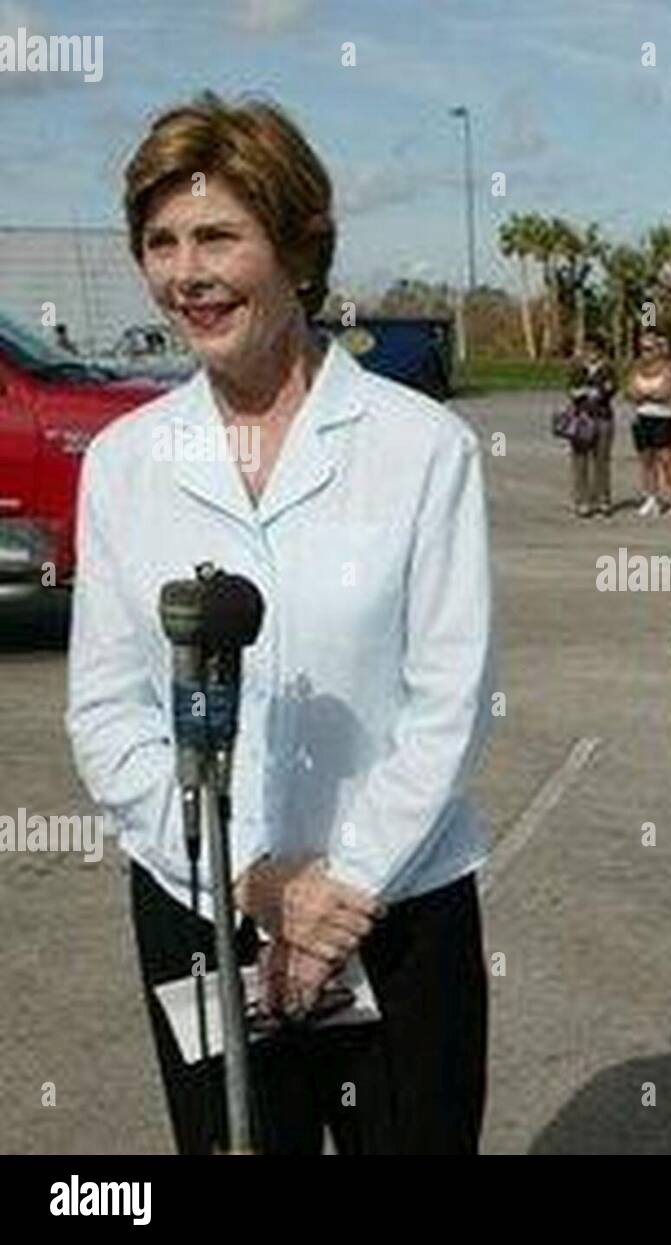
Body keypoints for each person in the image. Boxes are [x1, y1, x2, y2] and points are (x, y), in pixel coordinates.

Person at [65, 92, 493, 1155]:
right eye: (160, 243)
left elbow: (450, 697)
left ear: (299, 246)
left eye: (218, 236)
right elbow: (107, 715)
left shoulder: (419, 448)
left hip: (395, 912)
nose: (185, 272)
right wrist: (251, 881)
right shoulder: (124, 464)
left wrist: (342, 890)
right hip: (201, 909)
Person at [626, 330, 671, 516]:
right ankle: (651, 498)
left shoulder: (668, 367)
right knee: (646, 460)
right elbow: (630, 393)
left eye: (649, 349)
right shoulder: (636, 368)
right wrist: (645, 395)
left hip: (663, 418)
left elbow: (665, 393)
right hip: (642, 417)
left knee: (666, 460)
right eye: (642, 349)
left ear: (658, 349)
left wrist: (644, 395)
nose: (645, 353)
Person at [566, 335, 616, 517]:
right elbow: (571, 389)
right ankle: (582, 500)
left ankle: (603, 499)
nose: (590, 353)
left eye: (594, 349)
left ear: (601, 351)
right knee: (580, 461)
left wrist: (594, 391)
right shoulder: (576, 367)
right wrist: (584, 391)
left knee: (602, 461)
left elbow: (610, 389)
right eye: (587, 349)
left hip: (603, 418)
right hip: (581, 418)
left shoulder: (608, 368)